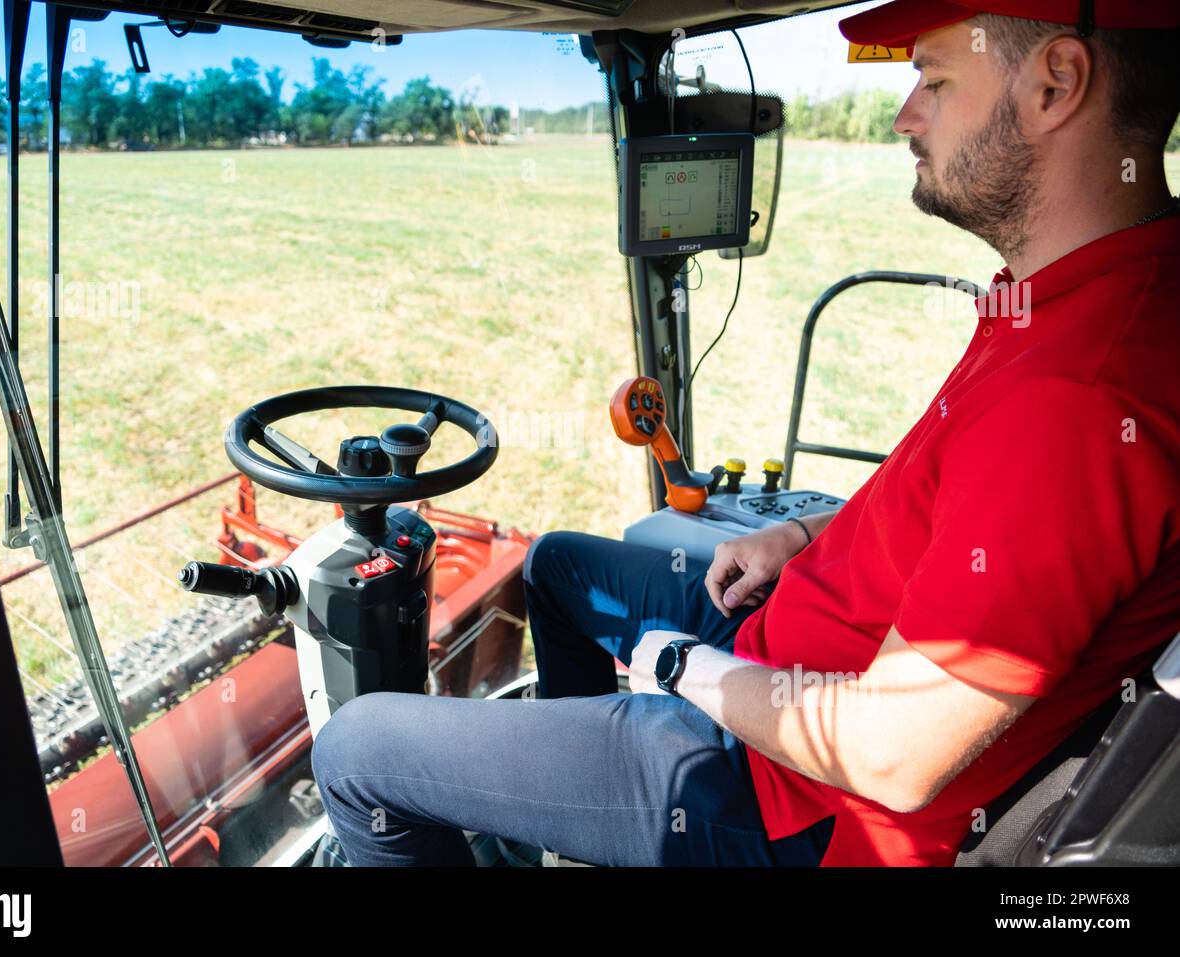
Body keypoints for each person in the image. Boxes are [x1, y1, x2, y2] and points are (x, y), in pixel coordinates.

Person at [312, 0, 1180, 866]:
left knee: (355, 750)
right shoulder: (1082, 299)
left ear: (1057, 83)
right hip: (786, 649)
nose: (905, 112)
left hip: (789, 793)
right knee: (556, 564)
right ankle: (570, 829)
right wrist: (798, 536)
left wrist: (684, 669)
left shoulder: (1078, 394)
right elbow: (960, 518)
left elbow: (896, 754)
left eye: (934, 78)